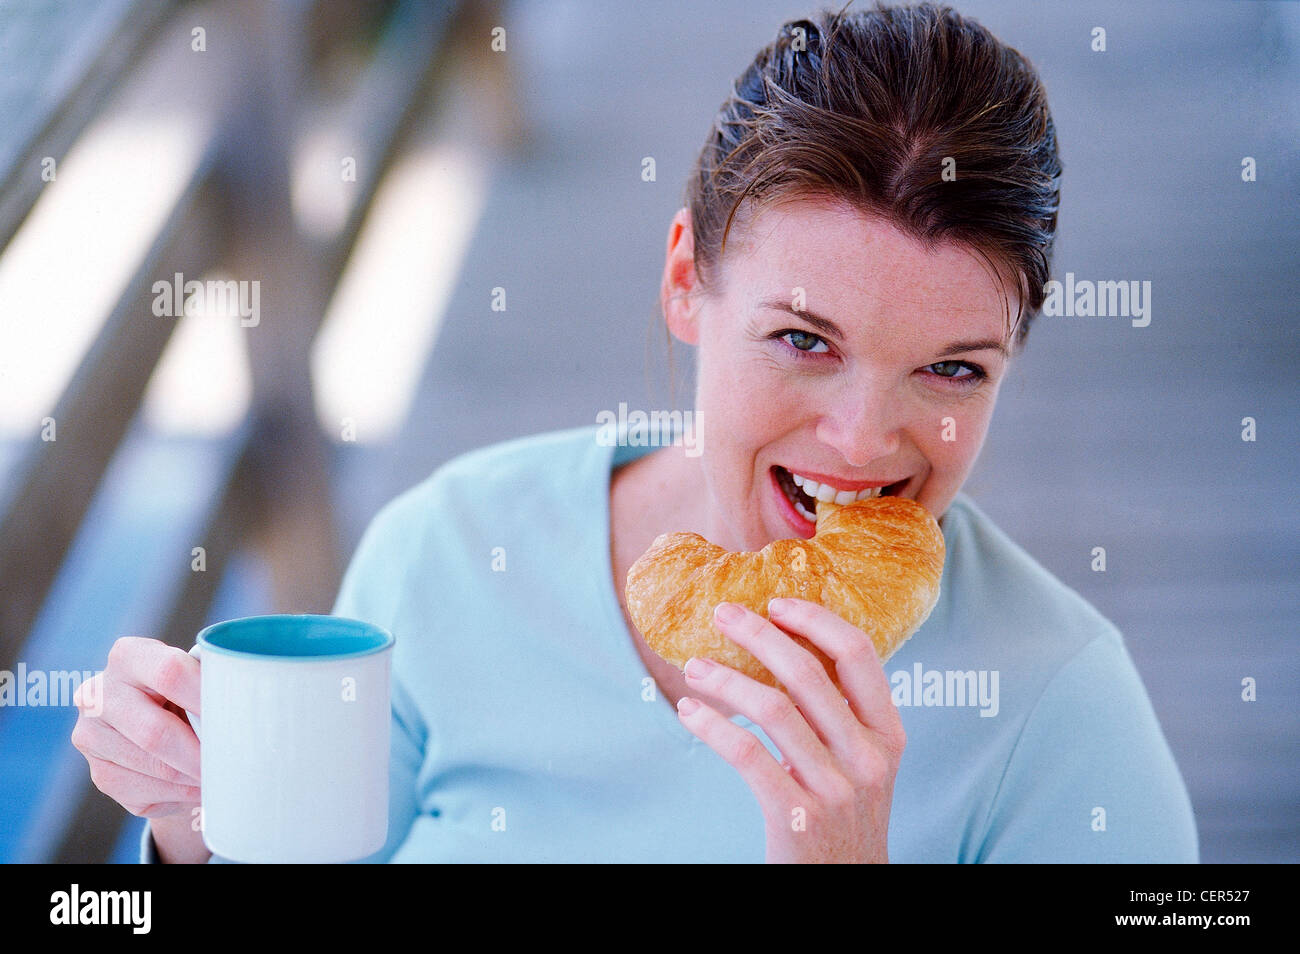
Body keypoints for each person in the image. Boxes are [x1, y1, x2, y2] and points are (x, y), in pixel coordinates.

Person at [73, 2, 1197, 863]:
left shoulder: (1062, 712)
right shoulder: (453, 551)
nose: (861, 441)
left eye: (950, 368)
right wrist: (196, 823)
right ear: (682, 282)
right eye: (804, 340)